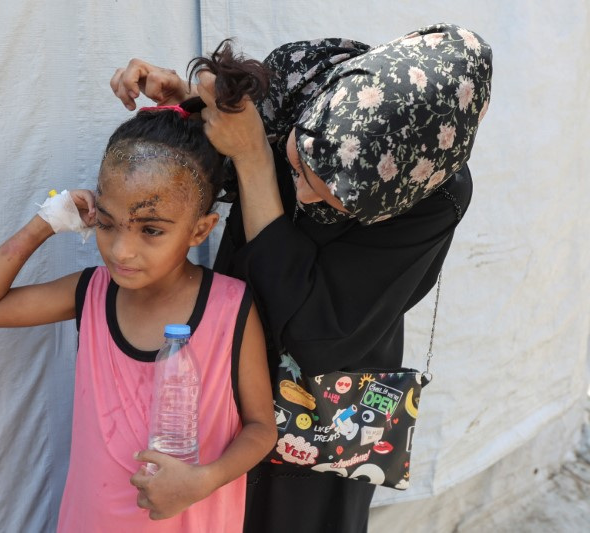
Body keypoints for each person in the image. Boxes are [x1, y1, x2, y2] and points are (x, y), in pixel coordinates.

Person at [110, 23, 492, 533]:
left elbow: (317, 330)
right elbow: (217, 166)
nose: (305, 198)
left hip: (328, 386)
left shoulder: (433, 194)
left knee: (299, 516)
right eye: (300, 167)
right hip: (237, 336)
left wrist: (255, 160)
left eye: (334, 198)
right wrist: (190, 107)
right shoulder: (304, 75)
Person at [0, 100, 277, 531]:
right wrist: (48, 221)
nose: (122, 251)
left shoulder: (231, 307)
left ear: (200, 229)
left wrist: (204, 480)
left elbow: (260, 428)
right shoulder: (91, 293)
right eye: (107, 223)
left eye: (151, 230)